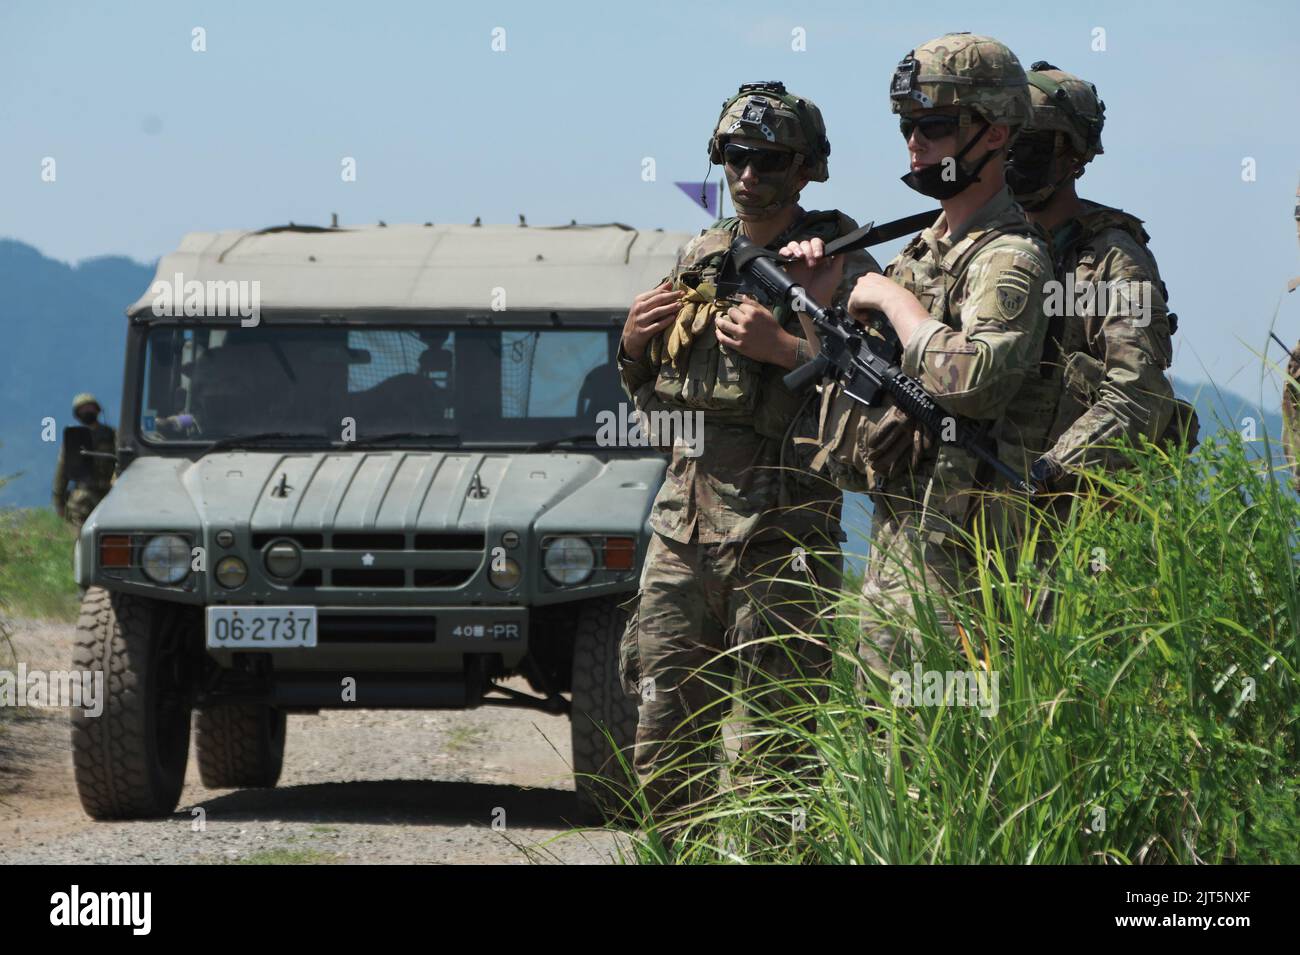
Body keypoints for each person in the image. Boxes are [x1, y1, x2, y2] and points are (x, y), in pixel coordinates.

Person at [617, 81, 879, 819]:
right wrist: (632, 348)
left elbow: (874, 411)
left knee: (776, 759)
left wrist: (787, 346)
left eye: (768, 160)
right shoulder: (701, 257)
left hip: (781, 543)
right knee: (662, 748)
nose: (748, 175)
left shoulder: (843, 265)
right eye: (736, 156)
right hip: (683, 536)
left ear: (805, 170)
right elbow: (653, 404)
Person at [784, 34, 1058, 679]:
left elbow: (973, 382)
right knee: (887, 753)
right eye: (909, 124)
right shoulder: (922, 252)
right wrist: (815, 303)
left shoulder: (1009, 256)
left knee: (947, 753)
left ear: (993, 133)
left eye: (934, 124)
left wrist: (892, 301)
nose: (915, 141)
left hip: (966, 563)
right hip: (899, 543)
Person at [1004, 62, 1184, 489]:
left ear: (1073, 154)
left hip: (1062, 515)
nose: (1012, 155)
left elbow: (1139, 395)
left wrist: (1048, 470)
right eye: (1005, 138)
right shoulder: (981, 244)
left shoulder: (1115, 258)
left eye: (1029, 143)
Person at [52, 393, 116, 528]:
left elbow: (123, 461)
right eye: (82, 409)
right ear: (77, 413)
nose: (87, 411)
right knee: (82, 542)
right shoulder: (73, 438)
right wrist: (58, 501)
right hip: (82, 499)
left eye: (90, 407)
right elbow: (63, 470)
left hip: (109, 495)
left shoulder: (112, 435)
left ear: (97, 410)